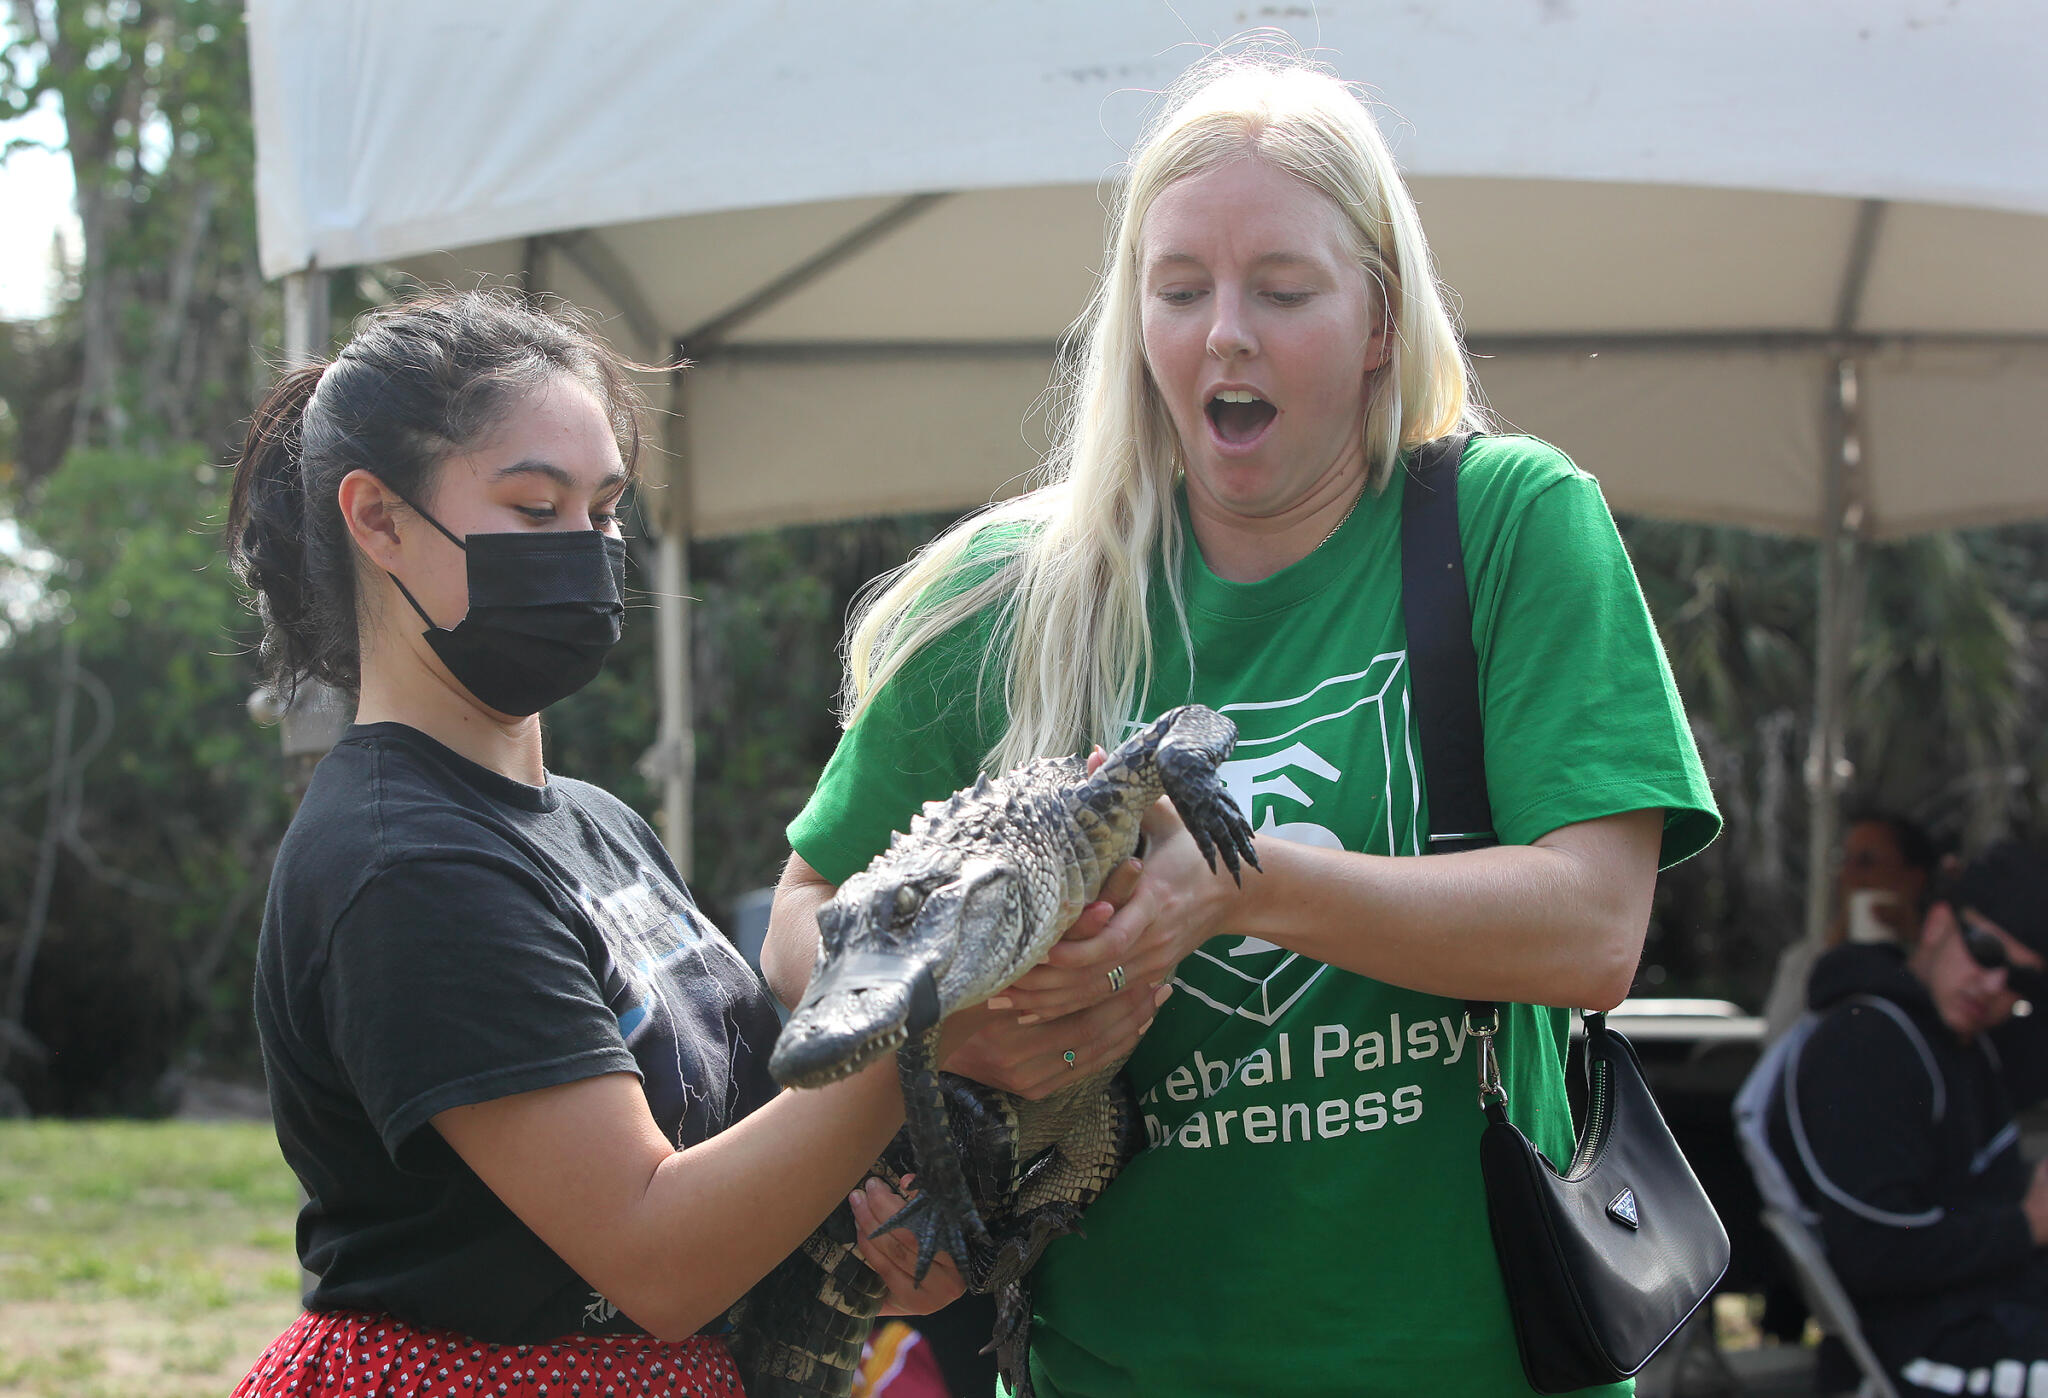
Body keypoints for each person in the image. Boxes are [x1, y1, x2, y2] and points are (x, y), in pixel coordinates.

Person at [762, 52, 1719, 1398]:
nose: (1224, 334)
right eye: (1178, 290)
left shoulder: (1509, 523)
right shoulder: (1008, 597)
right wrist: (957, 1039)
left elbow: (1592, 933)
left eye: (1282, 289)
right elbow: (804, 920)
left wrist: (1237, 889)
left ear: (1380, 318)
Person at [223, 290, 1113, 1397]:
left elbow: (751, 1159)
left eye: (603, 511)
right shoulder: (403, 865)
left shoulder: (598, 825)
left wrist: (893, 1238)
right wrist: (939, 1020)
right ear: (379, 520)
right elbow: (659, 1258)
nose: (587, 550)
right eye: (535, 508)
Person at [1752, 841, 2048, 1397]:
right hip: (1923, 1347)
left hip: (1993, 1313)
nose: (1994, 984)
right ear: (1937, 924)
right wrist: (2026, 1224)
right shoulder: (1868, 1044)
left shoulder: (1965, 1040)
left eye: (2024, 982)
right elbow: (1875, 1253)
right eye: (1985, 951)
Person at [1761, 812, 1942, 1042]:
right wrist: (1832, 947)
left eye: (1866, 862)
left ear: (1914, 878)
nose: (1850, 876)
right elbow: (1777, 1038)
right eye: (1844, 861)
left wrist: (1914, 941)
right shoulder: (1805, 958)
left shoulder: (1941, 958)